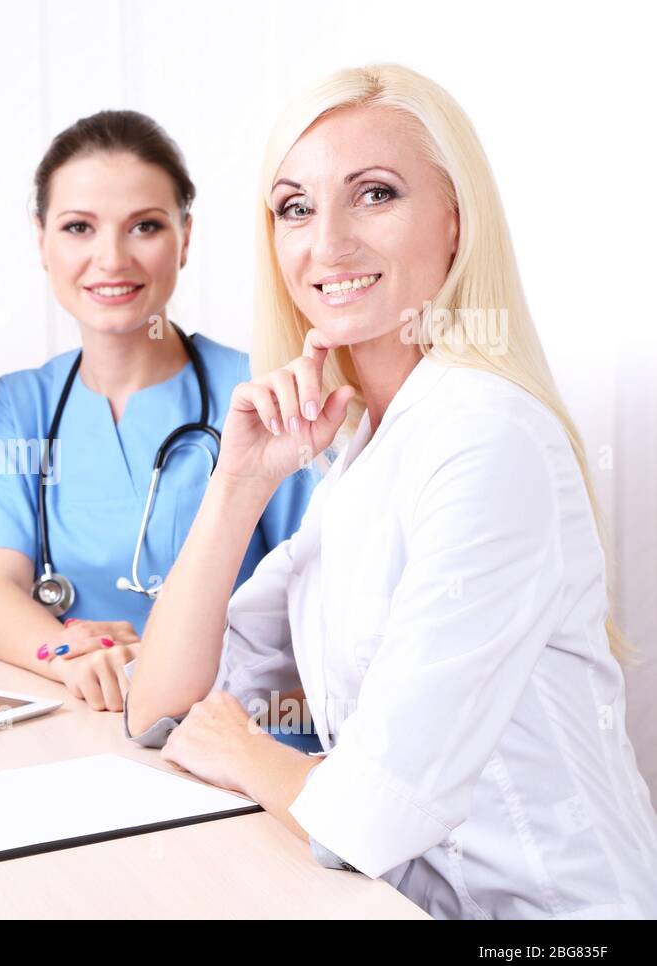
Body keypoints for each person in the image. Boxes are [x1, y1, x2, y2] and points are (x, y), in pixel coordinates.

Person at [124, 64, 657, 918]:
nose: (326, 244)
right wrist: (239, 487)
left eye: (374, 195)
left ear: (455, 222)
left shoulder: (488, 438)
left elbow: (362, 819)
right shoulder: (363, 454)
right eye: (295, 207)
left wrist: (246, 751)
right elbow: (160, 707)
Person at [0, 111, 314, 713]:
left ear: (186, 237)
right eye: (78, 227)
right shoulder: (25, 402)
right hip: (76, 717)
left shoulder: (262, 388)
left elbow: (318, 605)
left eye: (144, 227)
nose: (111, 259)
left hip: (232, 721)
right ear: (41, 240)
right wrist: (66, 654)